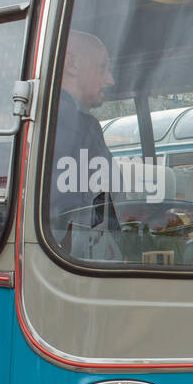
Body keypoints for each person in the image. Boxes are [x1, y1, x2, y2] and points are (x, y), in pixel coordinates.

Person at [50, 30, 119, 249]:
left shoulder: (54, 116)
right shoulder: (74, 122)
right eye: (103, 67)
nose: (111, 79)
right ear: (72, 65)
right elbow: (78, 209)